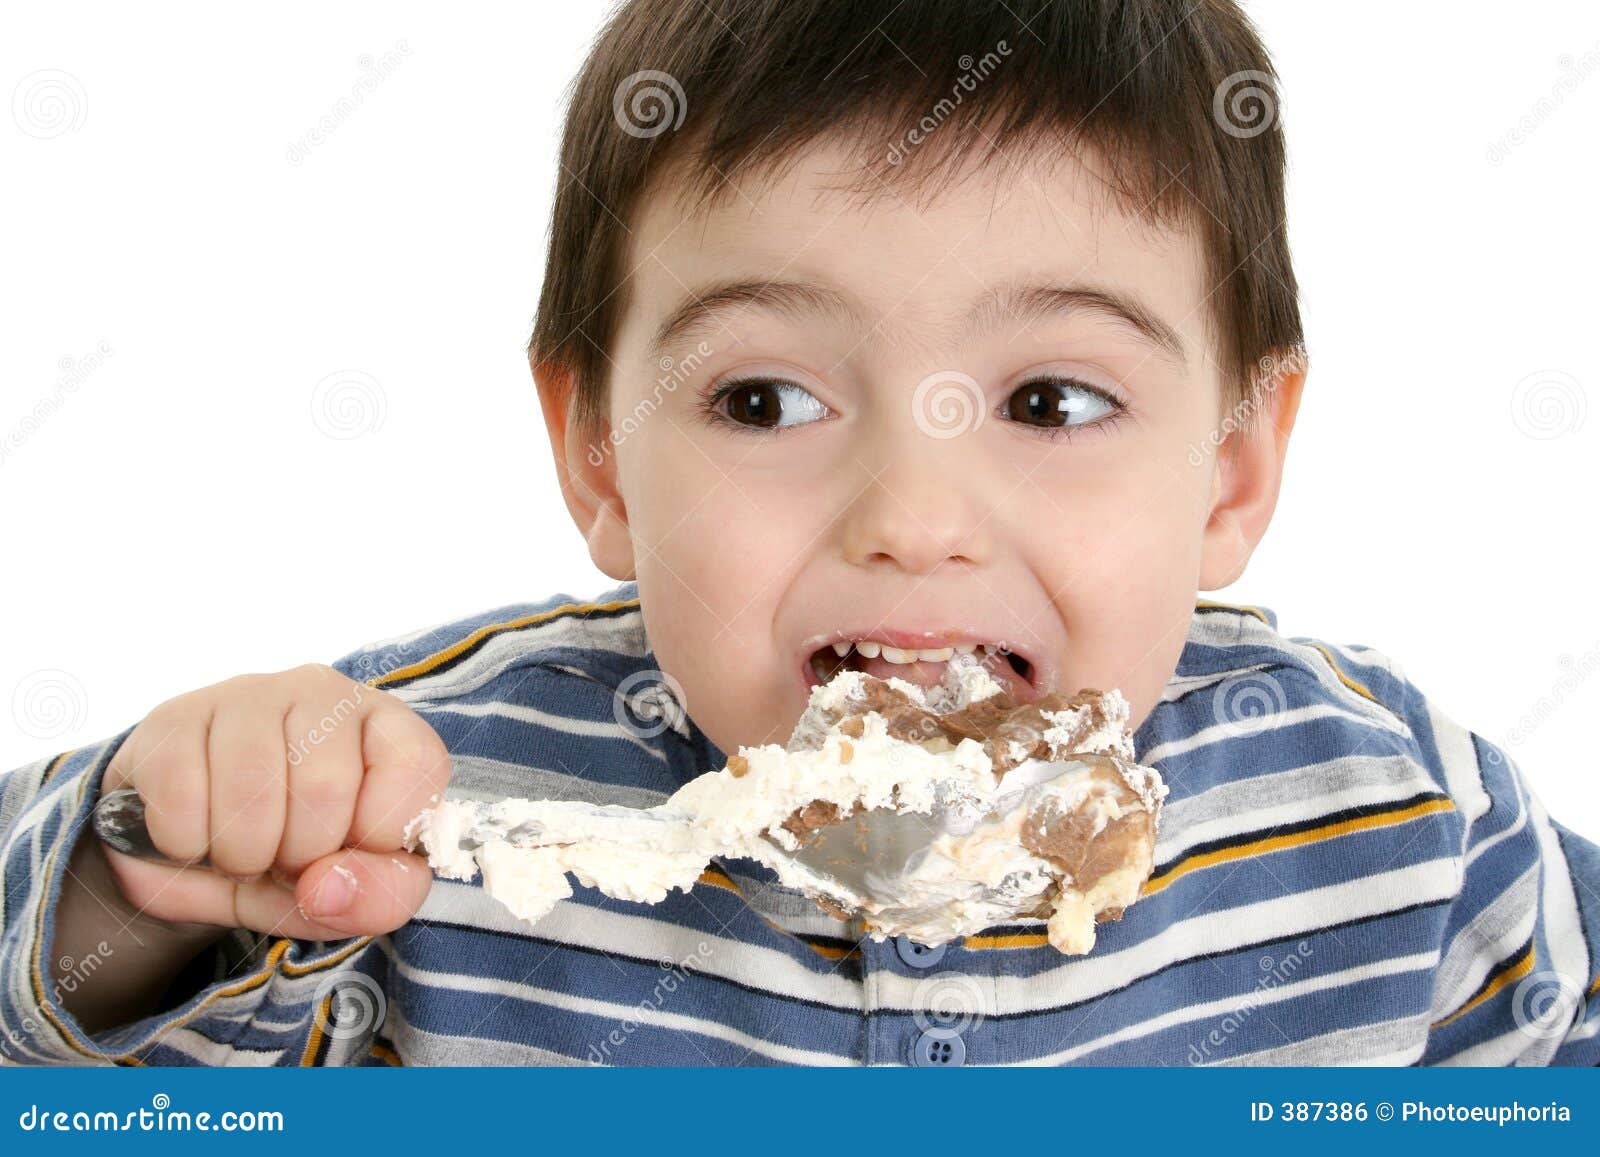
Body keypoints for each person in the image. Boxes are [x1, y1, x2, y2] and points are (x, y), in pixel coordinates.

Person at [4, 0, 1596, 1065]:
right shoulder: (419, 800)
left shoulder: (1394, 811)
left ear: (1235, 467)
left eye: (1050, 402)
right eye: (765, 402)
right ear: (602, 453)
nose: (913, 520)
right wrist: (145, 880)